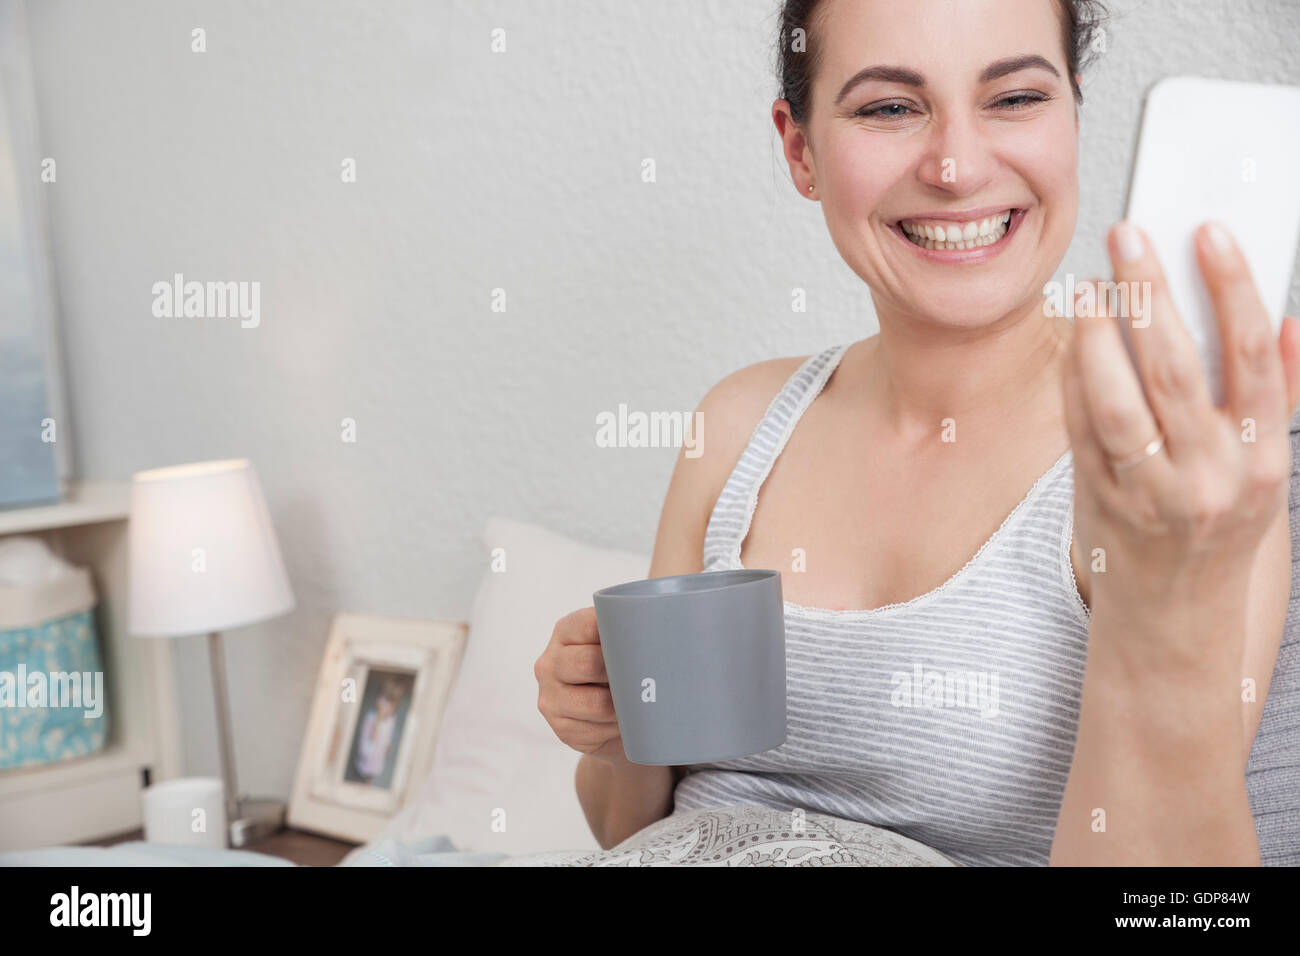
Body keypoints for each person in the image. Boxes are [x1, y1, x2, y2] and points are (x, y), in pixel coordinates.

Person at [534, 0, 1300, 865]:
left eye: (1014, 98)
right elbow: (628, 829)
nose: (956, 166)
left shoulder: (1163, 472)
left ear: (1073, 116)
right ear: (801, 149)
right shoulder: (739, 422)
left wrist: (1169, 610)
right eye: (890, 107)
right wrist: (608, 732)